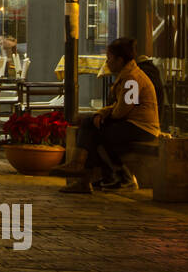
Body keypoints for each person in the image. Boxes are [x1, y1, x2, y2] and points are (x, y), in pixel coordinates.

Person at [59, 37, 161, 193]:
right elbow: (119, 106)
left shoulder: (132, 79)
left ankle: (118, 176)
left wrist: (102, 116)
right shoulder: (127, 76)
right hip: (130, 124)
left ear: (120, 60)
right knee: (90, 126)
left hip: (142, 127)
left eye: (110, 59)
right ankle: (89, 175)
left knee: (96, 131)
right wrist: (100, 114)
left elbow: (123, 110)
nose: (107, 63)